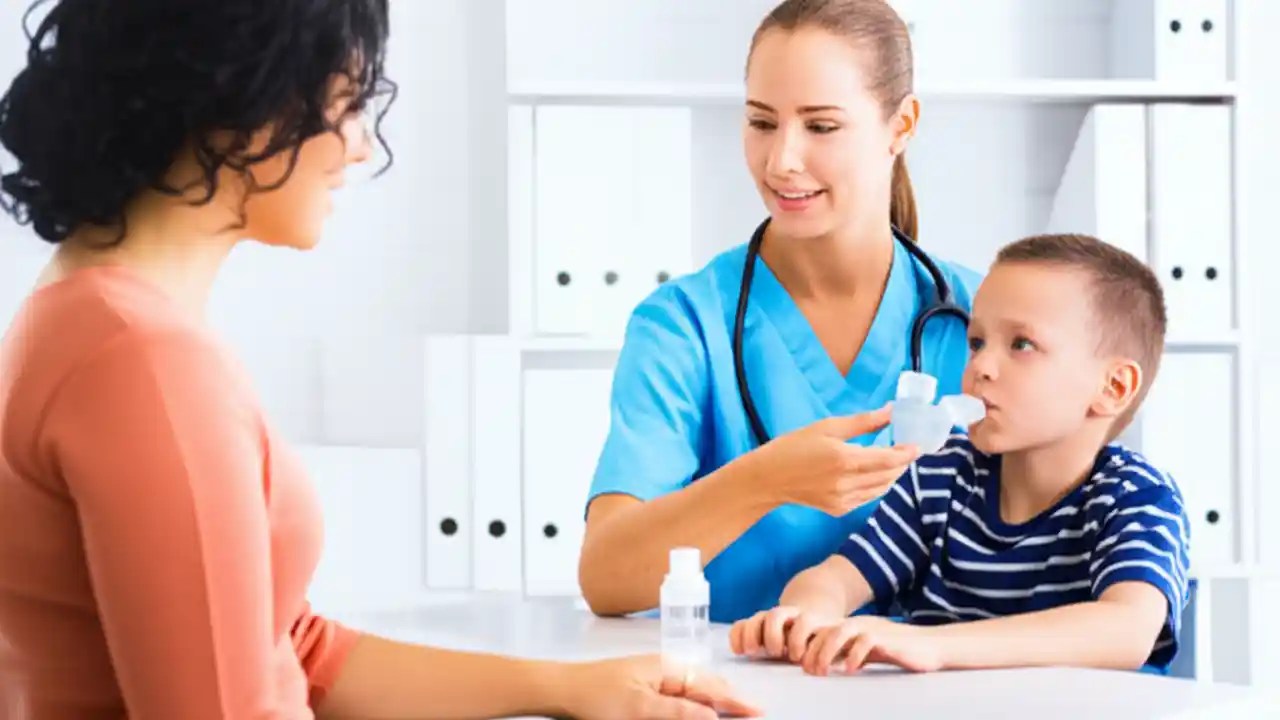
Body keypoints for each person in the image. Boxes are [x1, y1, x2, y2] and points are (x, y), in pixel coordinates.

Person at [0, 2, 759, 719]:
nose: (363, 145)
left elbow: (290, 649)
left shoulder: (84, 318)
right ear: (242, 100)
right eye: (349, 102)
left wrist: (561, 687)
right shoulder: (144, 364)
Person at [580, 0, 980, 622]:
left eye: (820, 127)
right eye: (762, 123)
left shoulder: (985, 322)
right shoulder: (684, 325)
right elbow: (606, 576)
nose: (781, 160)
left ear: (901, 126)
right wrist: (767, 480)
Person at [727, 233, 1192, 677]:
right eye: (977, 343)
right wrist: (804, 618)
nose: (981, 368)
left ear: (1112, 388)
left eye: (1022, 345)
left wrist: (937, 645)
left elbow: (1127, 630)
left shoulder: (1135, 498)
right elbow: (838, 577)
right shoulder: (941, 477)